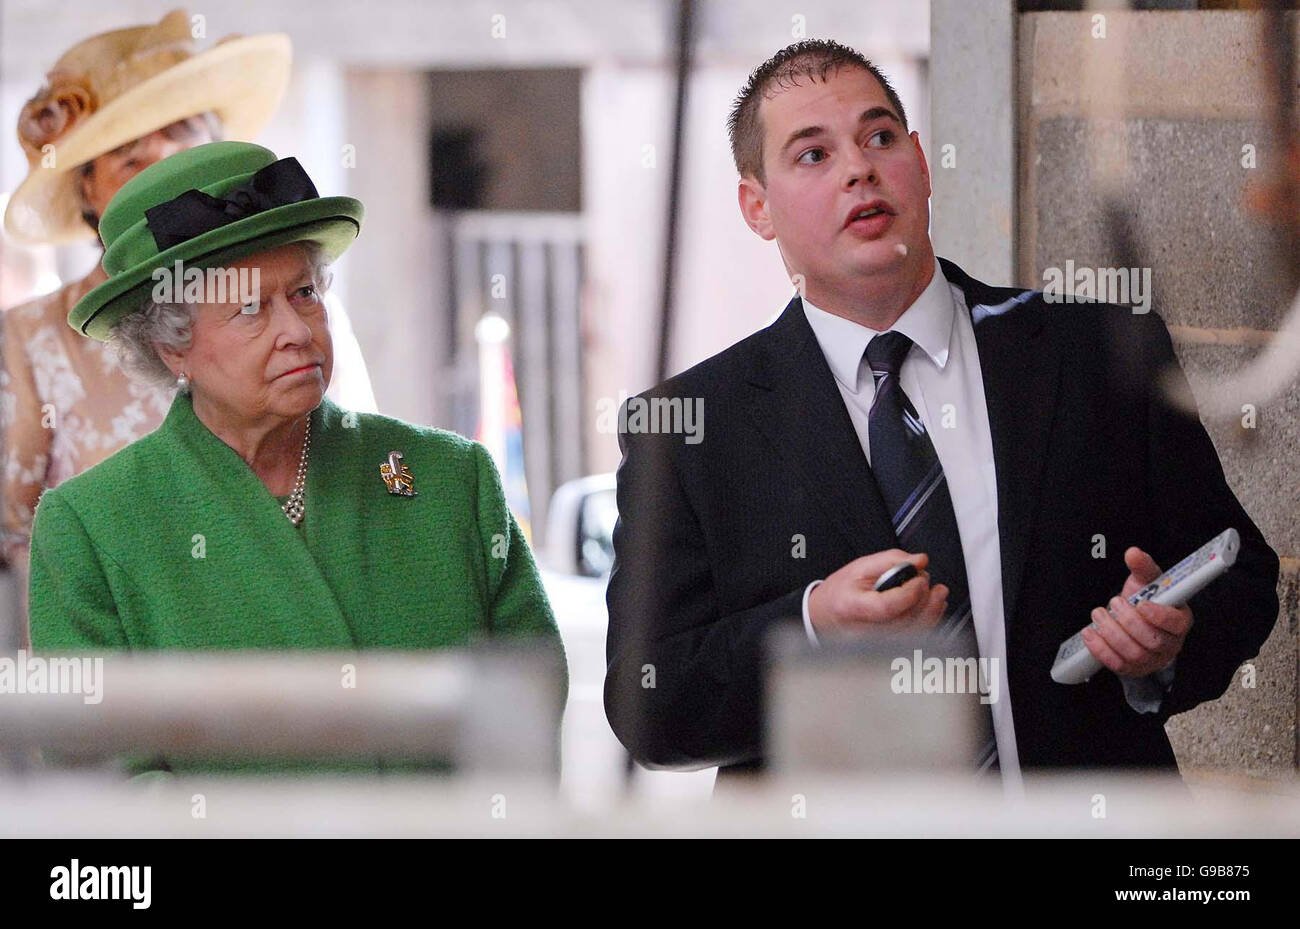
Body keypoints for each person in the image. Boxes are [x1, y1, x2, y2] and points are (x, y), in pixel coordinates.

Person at [603, 40, 1280, 783]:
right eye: (812, 155)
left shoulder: (1096, 351)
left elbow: (1238, 573)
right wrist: (812, 624)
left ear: (922, 165)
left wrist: (1169, 644)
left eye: (879, 137)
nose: (859, 168)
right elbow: (651, 704)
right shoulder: (691, 427)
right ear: (757, 207)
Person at [27, 141, 564, 772]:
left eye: (304, 293)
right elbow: (103, 775)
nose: (297, 330)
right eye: (251, 308)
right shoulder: (93, 526)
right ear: (173, 347)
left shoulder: (451, 477)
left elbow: (529, 704)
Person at [1, 11, 377, 629]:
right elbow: (16, 536)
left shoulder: (304, 309)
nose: (163, 167)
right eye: (128, 158)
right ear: (87, 193)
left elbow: (364, 464)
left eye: (181, 134)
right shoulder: (28, 335)